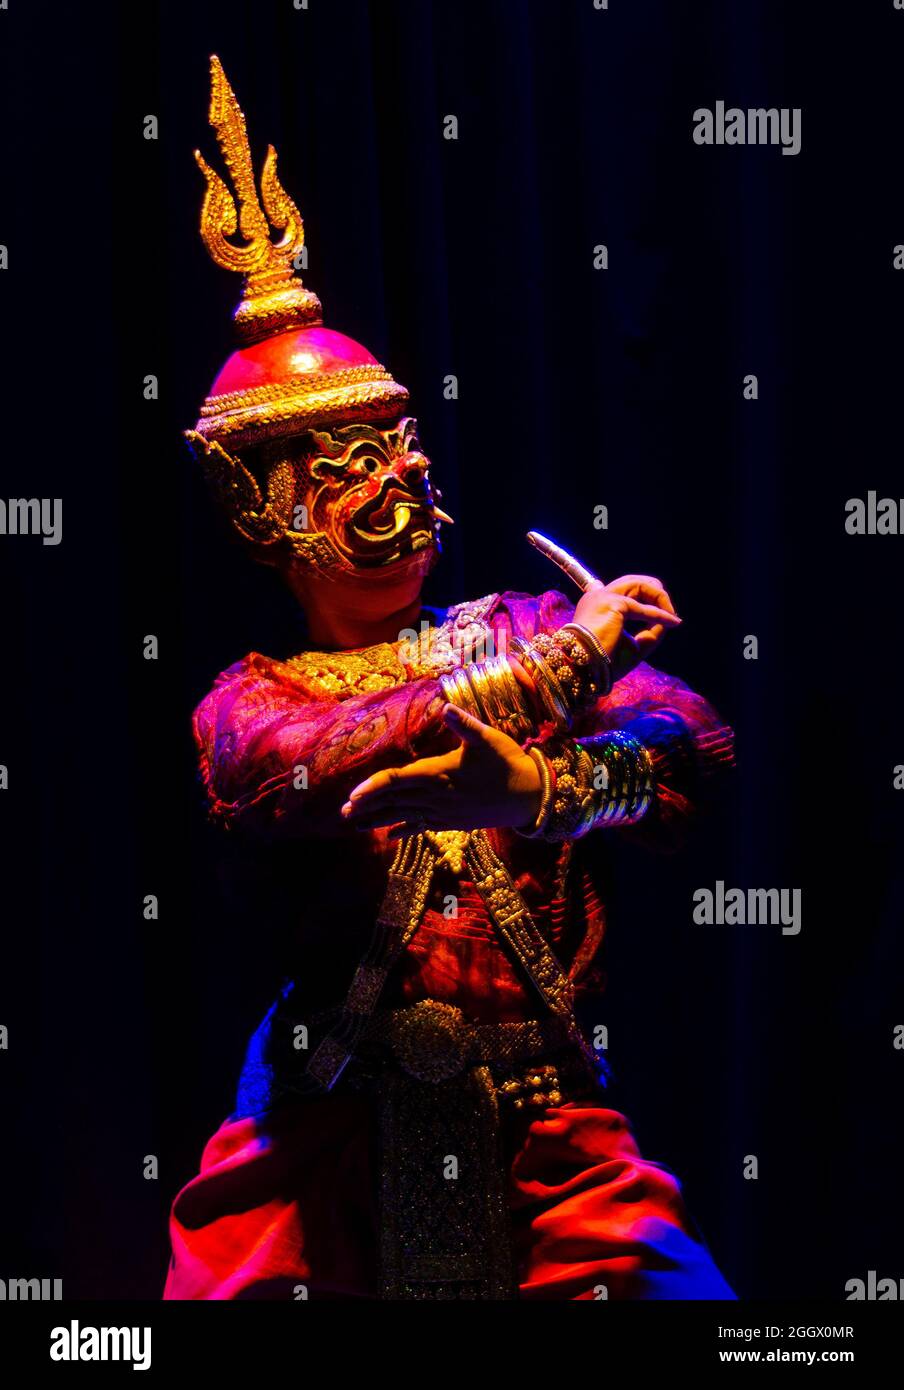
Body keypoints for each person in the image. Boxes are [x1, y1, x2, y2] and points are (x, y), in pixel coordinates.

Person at [164, 56, 736, 1301]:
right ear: (265, 509)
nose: (394, 483)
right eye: (343, 464)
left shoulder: (518, 621)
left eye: (397, 450)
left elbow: (695, 751)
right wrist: (563, 664)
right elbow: (309, 767)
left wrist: (544, 790)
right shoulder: (246, 703)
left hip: (551, 1134)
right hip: (315, 1136)